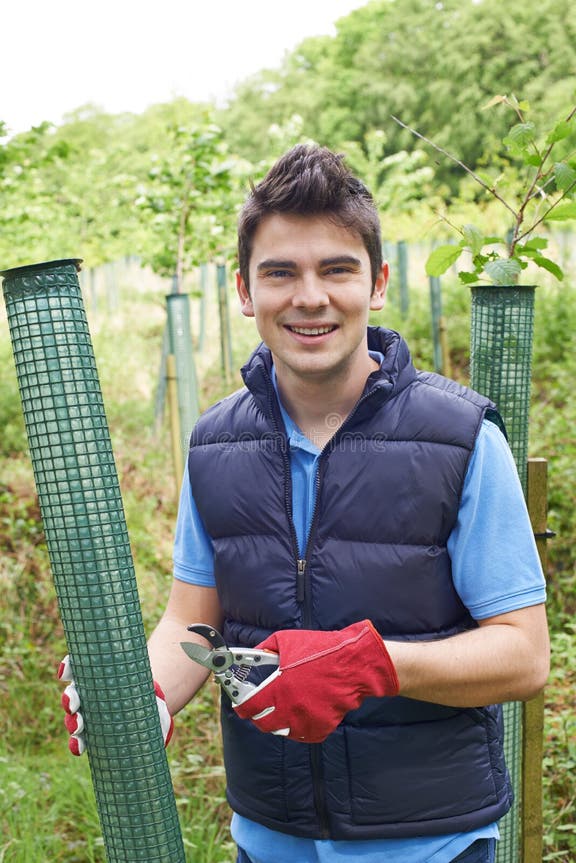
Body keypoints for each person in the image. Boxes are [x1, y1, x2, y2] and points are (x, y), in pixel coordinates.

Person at [61, 144, 549, 863]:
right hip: (269, 836)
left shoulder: (461, 438)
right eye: (281, 272)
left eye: (337, 269)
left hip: (427, 843)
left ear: (378, 282)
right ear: (243, 289)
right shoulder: (213, 444)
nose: (310, 296)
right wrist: (140, 693)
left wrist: (374, 663)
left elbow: (523, 653)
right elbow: (190, 619)